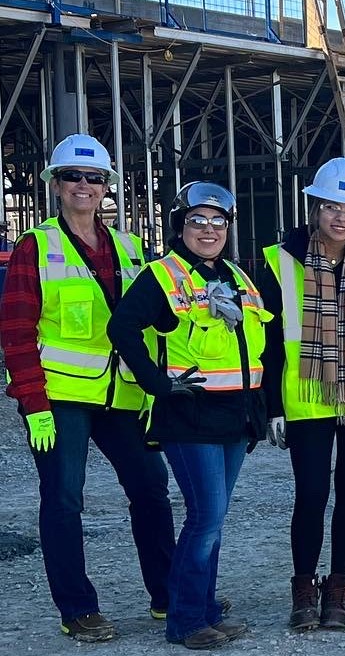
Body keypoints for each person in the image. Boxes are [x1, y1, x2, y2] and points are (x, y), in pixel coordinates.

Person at [0, 134, 174, 642]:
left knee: (150, 487)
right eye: (73, 176)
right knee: (64, 498)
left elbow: (153, 321)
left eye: (94, 178)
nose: (84, 185)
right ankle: (77, 607)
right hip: (59, 398)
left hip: (120, 394)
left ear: (106, 188)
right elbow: (15, 331)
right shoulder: (38, 245)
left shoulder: (129, 247)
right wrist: (33, 404)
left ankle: (167, 595)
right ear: (56, 185)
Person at [108, 182, 267, 650]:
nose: (209, 230)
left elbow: (252, 347)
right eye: (198, 220)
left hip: (235, 417)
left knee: (213, 520)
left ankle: (205, 609)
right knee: (206, 517)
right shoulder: (164, 274)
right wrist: (158, 385)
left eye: (219, 222)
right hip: (190, 416)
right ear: (180, 225)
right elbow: (121, 327)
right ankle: (184, 620)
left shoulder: (238, 276)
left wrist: (258, 412)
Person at [258, 157, 345, 631]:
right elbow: (269, 339)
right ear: (314, 207)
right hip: (306, 396)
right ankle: (302, 589)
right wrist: (271, 405)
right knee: (311, 494)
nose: (342, 217)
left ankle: (338, 589)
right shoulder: (281, 259)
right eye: (332, 206)